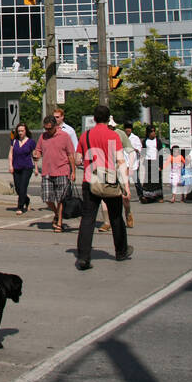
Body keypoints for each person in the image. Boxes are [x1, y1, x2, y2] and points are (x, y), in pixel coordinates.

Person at [74, 104, 131, 269]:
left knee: (88, 219)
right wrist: (125, 185)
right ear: (108, 119)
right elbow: (120, 160)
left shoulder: (85, 135)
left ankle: (83, 257)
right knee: (115, 217)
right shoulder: (113, 136)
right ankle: (121, 251)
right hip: (110, 180)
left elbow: (78, 160)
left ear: (94, 118)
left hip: (90, 180)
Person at [33, 115, 76, 232]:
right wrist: (36, 155)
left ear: (55, 126)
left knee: (60, 199)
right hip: (47, 171)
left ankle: (59, 222)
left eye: (49, 129)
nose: (47, 131)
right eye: (45, 128)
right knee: (46, 197)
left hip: (62, 170)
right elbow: (38, 151)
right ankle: (56, 213)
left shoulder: (65, 136)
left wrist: (73, 171)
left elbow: (70, 154)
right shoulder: (43, 137)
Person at [8, 122, 36, 215]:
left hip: (27, 167)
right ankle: (26, 200)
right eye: (19, 131)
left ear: (26, 131)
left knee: (23, 186)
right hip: (16, 167)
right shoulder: (14, 141)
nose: (20, 133)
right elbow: (11, 154)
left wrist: (36, 168)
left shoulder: (31, 142)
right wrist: (10, 166)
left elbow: (34, 155)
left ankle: (20, 207)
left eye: (22, 131)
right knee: (18, 188)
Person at [121, 121, 142, 228]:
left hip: (132, 164)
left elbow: (139, 149)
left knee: (135, 182)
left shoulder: (135, 138)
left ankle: (128, 213)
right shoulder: (120, 136)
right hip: (121, 166)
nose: (128, 130)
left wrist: (132, 148)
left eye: (129, 128)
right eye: (126, 128)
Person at [138, 125, 163, 202]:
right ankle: (147, 196)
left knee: (157, 180)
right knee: (148, 179)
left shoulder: (158, 141)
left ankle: (159, 196)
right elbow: (143, 152)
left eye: (154, 131)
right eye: (151, 131)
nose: (153, 133)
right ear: (148, 133)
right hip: (148, 162)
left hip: (156, 161)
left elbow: (161, 153)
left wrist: (160, 165)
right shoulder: (145, 141)